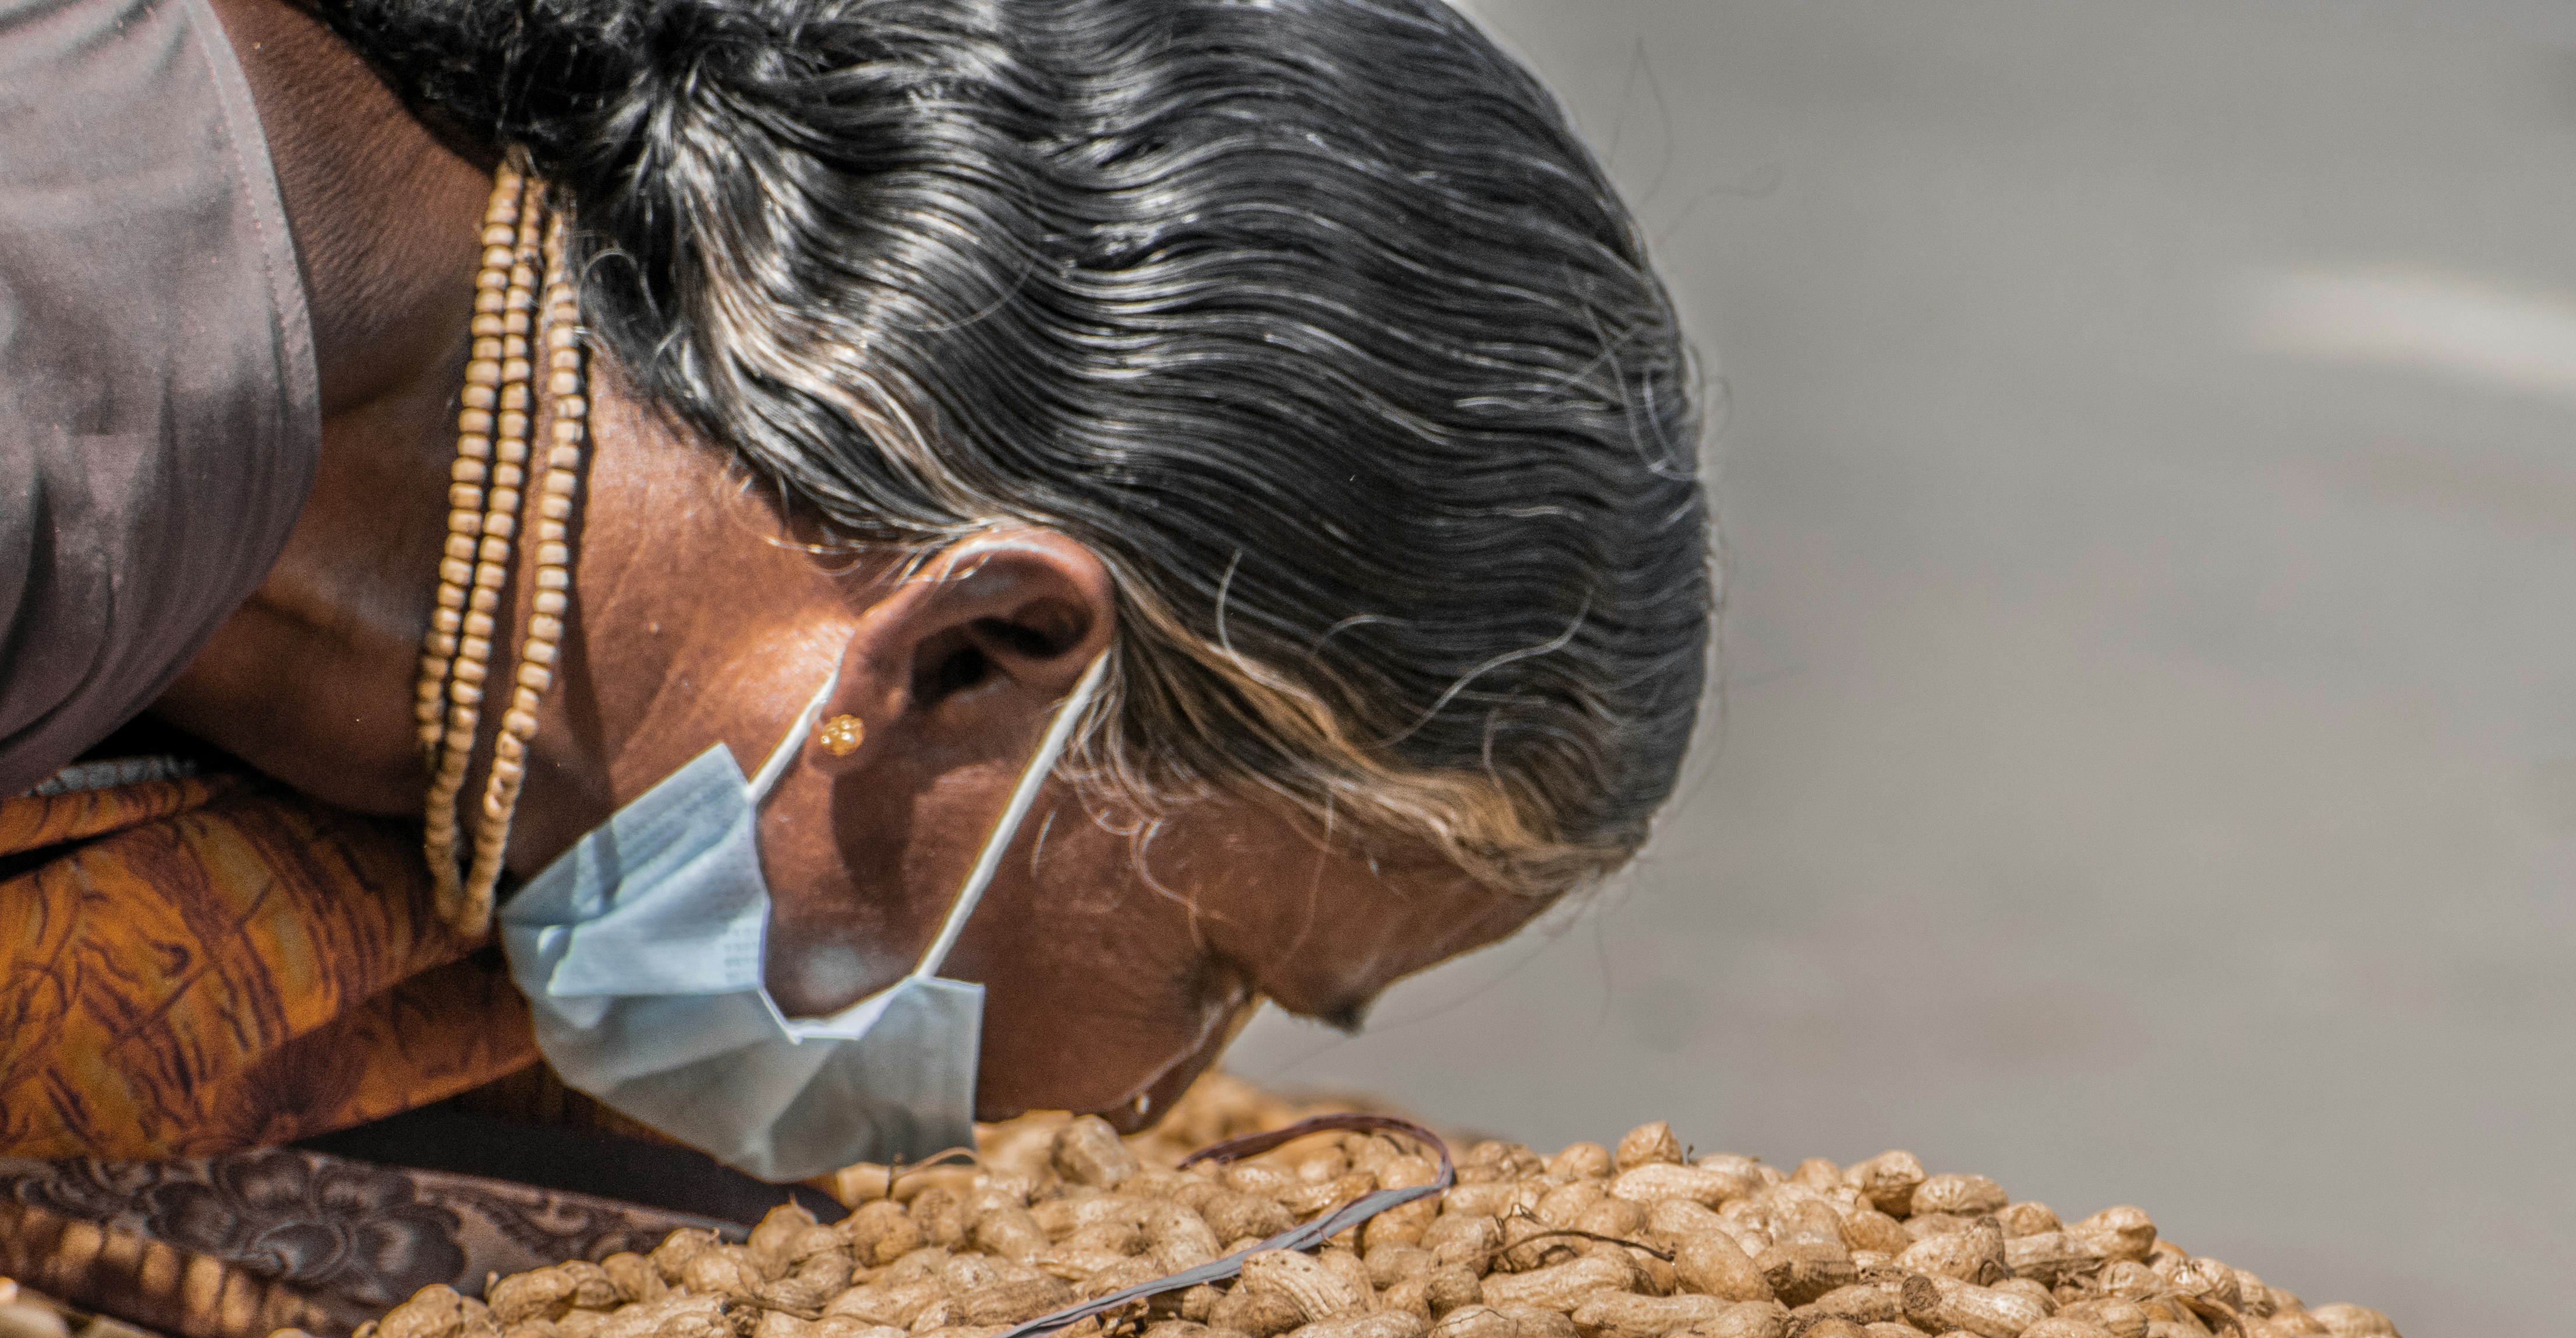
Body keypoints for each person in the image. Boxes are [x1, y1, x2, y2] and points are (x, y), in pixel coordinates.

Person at [0, 0, 1708, 1198]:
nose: (1149, 1110)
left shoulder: (366, 615)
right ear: (976, 654)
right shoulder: (59, 384)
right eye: (1217, 978)